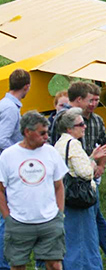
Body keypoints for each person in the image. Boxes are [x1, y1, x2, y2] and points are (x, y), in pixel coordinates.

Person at [0, 111, 68, 270]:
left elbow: (59, 186)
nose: (46, 137)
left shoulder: (51, 152)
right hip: (19, 222)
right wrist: (7, 217)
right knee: (17, 265)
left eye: (47, 132)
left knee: (55, 264)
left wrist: (59, 214)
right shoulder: (8, 156)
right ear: (27, 132)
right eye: (42, 133)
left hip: (50, 221)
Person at [54, 108, 106, 270]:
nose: (84, 126)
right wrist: (93, 163)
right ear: (69, 128)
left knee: (71, 238)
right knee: (83, 238)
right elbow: (85, 172)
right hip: (80, 198)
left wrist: (91, 157)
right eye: (80, 124)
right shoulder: (74, 144)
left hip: (66, 196)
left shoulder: (60, 143)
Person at [0, 69, 31, 270]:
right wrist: (19, 154)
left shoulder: (6, 104)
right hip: (7, 168)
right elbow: (2, 138)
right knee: (6, 216)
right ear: (27, 86)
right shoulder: (10, 109)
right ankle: (3, 262)